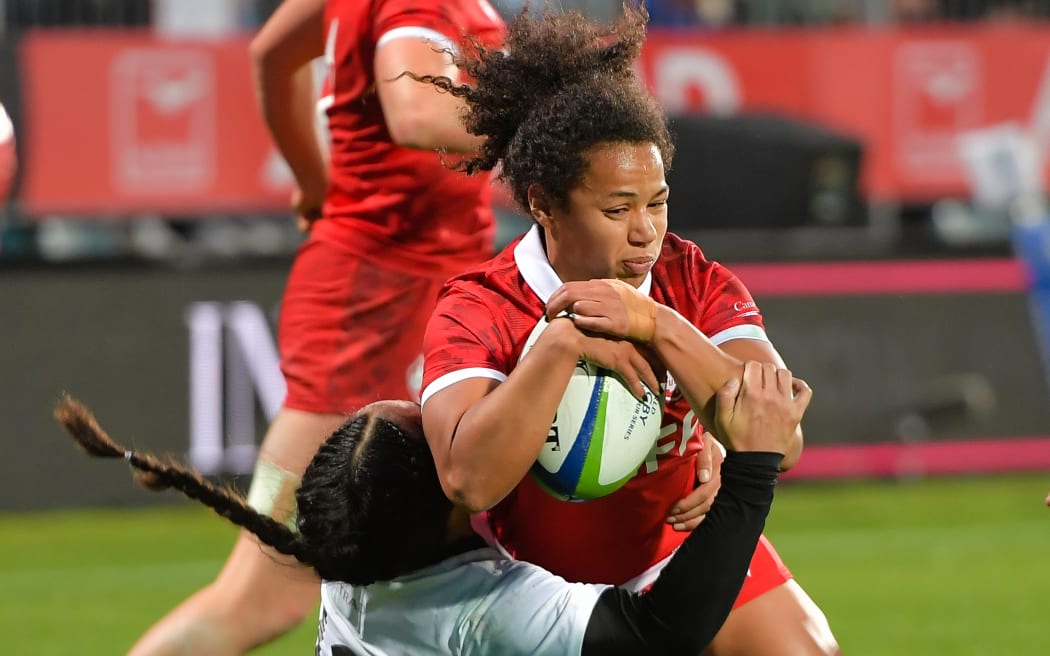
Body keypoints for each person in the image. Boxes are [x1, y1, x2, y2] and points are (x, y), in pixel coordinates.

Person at [417, 5, 842, 655]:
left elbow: (781, 436)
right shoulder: (479, 306)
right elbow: (467, 481)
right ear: (542, 202)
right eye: (617, 209)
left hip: (676, 553)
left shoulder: (690, 280)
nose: (646, 230)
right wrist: (555, 346)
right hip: (533, 588)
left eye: (658, 201)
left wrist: (658, 324)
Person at [127, 0, 506, 654]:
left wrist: (313, 183)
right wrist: (549, 115)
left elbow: (271, 54)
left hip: (395, 291)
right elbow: (416, 114)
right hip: (377, 307)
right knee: (261, 597)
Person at [56, 361, 811, 656]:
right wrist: (750, 469)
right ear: (453, 500)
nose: (453, 415)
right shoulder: (482, 612)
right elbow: (660, 635)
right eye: (442, 427)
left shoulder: (358, 555)